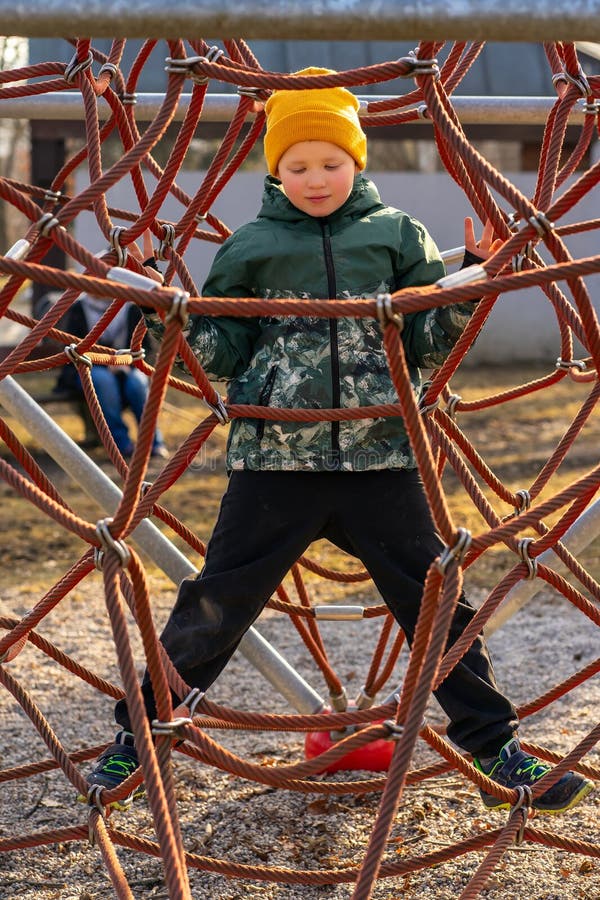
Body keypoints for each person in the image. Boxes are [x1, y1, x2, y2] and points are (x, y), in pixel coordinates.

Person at [85, 69, 594, 815]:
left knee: (436, 604)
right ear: (274, 169)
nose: (315, 178)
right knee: (214, 603)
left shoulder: (396, 236)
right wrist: (169, 321)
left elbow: (424, 339)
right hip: (276, 465)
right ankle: (139, 739)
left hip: (381, 458)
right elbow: (222, 350)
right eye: (297, 165)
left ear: (357, 162)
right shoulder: (252, 247)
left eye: (330, 162)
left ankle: (495, 750)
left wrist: (478, 279)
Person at [56, 291, 168, 459]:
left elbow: (147, 349)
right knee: (104, 381)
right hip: (89, 368)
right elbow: (73, 349)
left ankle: (153, 442)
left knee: (137, 383)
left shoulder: (130, 308)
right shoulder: (80, 309)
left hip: (128, 367)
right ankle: (121, 444)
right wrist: (106, 363)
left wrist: (128, 363)